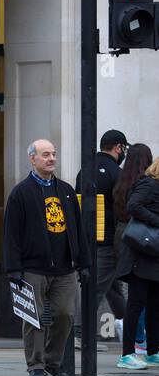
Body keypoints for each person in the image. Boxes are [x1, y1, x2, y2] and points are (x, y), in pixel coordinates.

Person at [3, 139, 87, 376]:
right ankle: (36, 366)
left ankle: (53, 361)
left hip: (64, 268)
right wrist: (13, 269)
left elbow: (78, 228)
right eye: (45, 154)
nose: (51, 158)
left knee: (65, 315)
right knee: (34, 318)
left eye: (53, 154)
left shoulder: (67, 190)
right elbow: (11, 233)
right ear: (33, 158)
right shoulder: (21, 193)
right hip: (32, 268)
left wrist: (83, 263)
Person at [75, 129, 128, 344]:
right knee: (95, 288)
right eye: (123, 148)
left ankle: (133, 331)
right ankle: (79, 333)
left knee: (113, 287)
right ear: (118, 147)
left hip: (88, 239)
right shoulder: (117, 173)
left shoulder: (85, 169)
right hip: (108, 241)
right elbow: (121, 208)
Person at [114, 149, 159, 369]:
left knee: (154, 305)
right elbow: (132, 206)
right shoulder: (149, 184)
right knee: (136, 304)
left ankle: (152, 351)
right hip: (140, 254)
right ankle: (127, 354)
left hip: (154, 255)